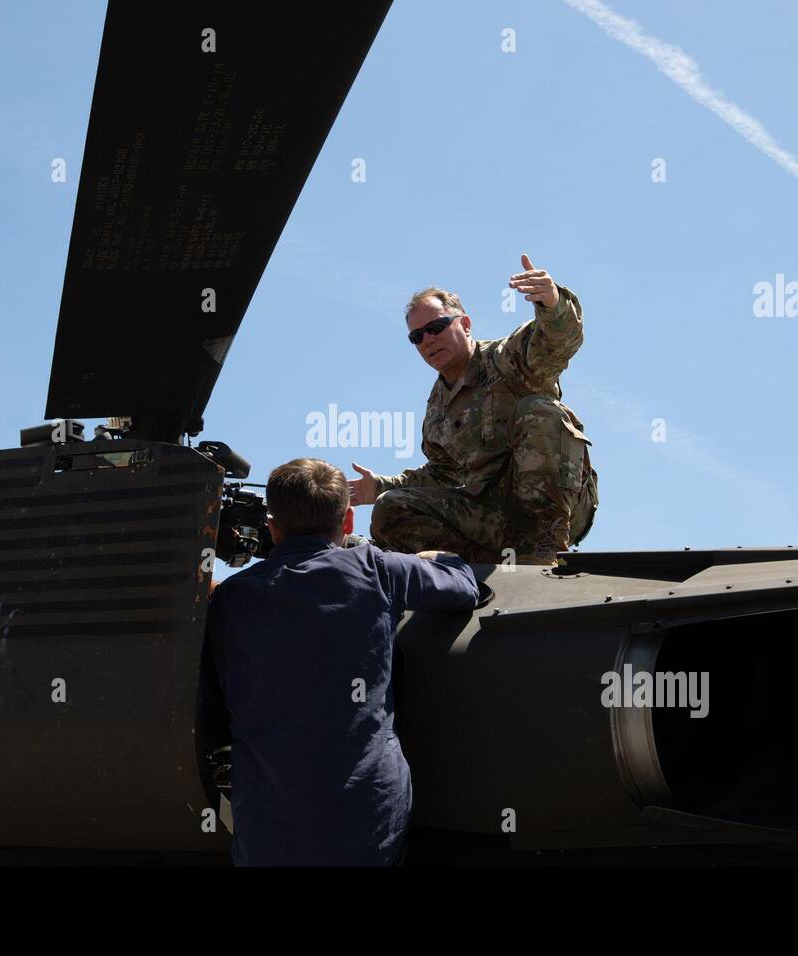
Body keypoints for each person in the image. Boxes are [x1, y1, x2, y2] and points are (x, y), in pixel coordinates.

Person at [197, 458, 479, 866]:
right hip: (368, 827)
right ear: (347, 521)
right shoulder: (378, 569)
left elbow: (211, 721)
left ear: (273, 528)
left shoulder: (229, 600)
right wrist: (439, 557)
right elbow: (463, 586)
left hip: (269, 835)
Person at [349, 253, 598, 566]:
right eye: (417, 336)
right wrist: (381, 487)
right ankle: (489, 565)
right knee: (390, 508)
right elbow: (442, 475)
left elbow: (556, 344)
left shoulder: (505, 358)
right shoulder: (437, 411)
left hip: (557, 507)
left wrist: (552, 304)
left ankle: (544, 546)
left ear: (465, 324)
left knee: (539, 410)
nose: (427, 340)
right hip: (494, 521)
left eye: (437, 327)